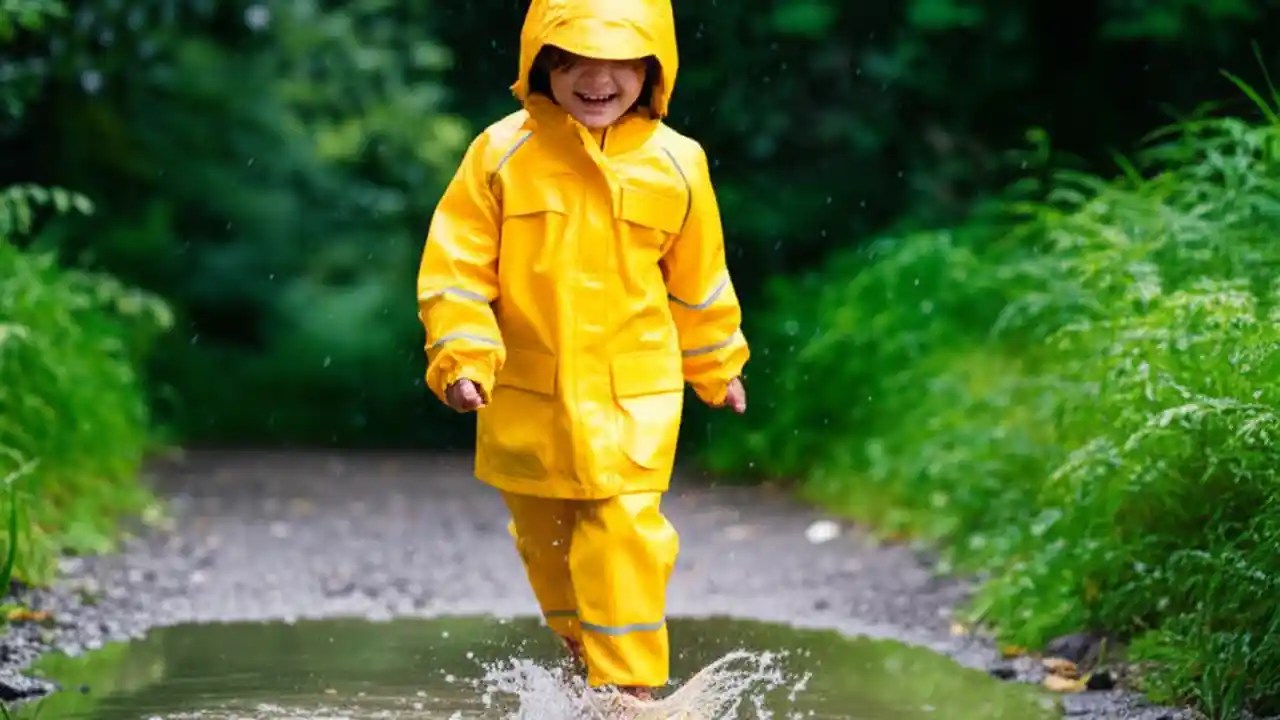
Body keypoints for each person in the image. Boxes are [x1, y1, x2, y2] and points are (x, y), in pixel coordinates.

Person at [415, 0, 749, 702]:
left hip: (635, 397)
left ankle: (631, 695)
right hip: (528, 397)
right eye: (575, 61)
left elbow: (699, 279)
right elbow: (457, 271)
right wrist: (463, 360)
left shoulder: (679, 162)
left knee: (625, 533)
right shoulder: (501, 153)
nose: (598, 81)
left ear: (653, 70)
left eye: (620, 63)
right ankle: (582, 662)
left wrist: (717, 365)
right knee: (549, 547)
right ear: (541, 63)